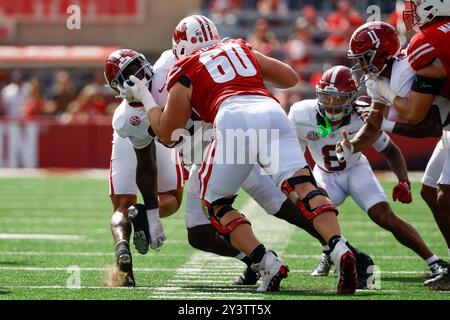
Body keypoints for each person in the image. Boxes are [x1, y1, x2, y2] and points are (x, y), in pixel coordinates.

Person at [132, 15, 359, 294]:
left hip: (234, 119)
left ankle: (267, 263)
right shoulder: (239, 47)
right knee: (303, 185)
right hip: (272, 111)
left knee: (216, 205)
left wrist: (145, 97)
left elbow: (166, 133)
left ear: (179, 46)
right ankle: (338, 246)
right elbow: (289, 78)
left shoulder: (185, 67)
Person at [289, 65, 447, 279]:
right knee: (312, 212)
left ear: (352, 98)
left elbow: (391, 151)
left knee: (383, 216)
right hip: (325, 173)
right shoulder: (301, 114)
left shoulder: (363, 115)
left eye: (339, 98)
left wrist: (403, 181)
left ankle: (433, 261)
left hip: (356, 170)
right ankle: (330, 251)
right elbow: (296, 158)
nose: (332, 104)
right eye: (327, 97)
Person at [104, 49, 184, 286]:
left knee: (121, 206)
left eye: (136, 66)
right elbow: (146, 164)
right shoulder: (126, 118)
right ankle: (136, 215)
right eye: (128, 73)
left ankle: (122, 248)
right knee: (170, 199)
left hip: (152, 134)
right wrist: (151, 214)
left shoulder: (124, 116)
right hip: (155, 138)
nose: (137, 74)